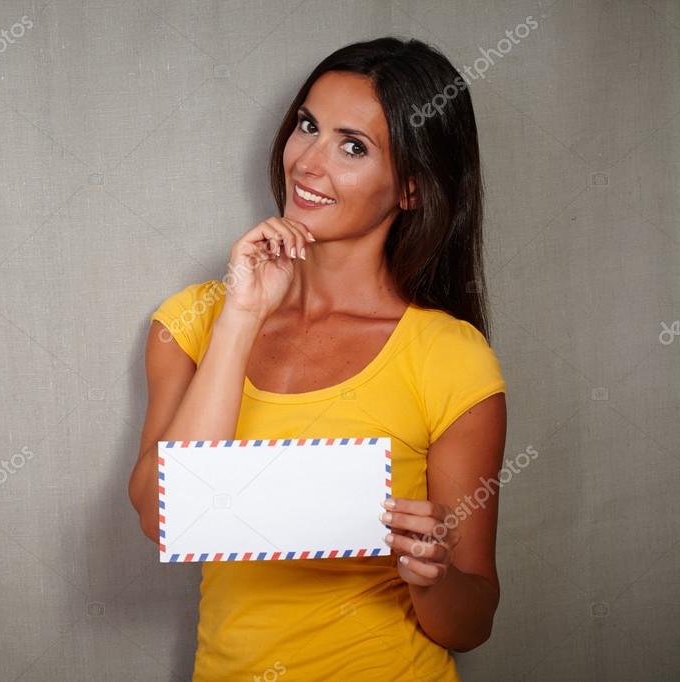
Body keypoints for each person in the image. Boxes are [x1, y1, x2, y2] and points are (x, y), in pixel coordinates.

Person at [128, 36, 508, 681]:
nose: (307, 162)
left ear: (412, 187)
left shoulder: (451, 358)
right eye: (308, 126)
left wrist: (431, 573)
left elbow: (470, 624)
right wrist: (242, 316)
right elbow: (162, 518)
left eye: (352, 146)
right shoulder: (191, 322)